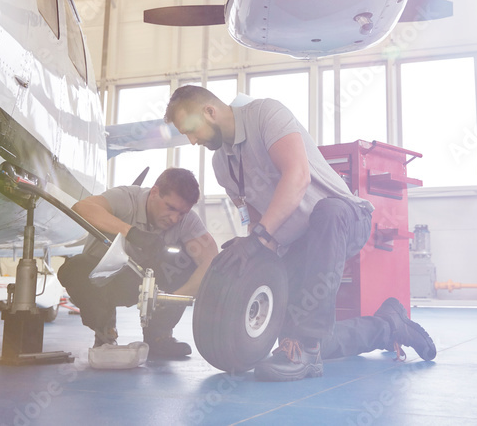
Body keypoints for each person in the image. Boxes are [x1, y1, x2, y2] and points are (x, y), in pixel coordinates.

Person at [164, 85, 436, 381]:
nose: (191, 141)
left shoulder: (267, 114)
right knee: (292, 333)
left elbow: (298, 176)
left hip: (345, 219)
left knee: (326, 212)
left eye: (191, 129)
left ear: (210, 111)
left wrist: (260, 238)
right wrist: (255, 257)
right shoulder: (222, 165)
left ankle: (307, 351)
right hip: (296, 243)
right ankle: (386, 326)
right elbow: (253, 217)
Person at [57, 167, 218, 359]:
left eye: (182, 213)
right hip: (103, 280)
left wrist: (175, 298)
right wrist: (131, 233)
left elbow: (210, 261)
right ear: (155, 192)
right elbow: (82, 208)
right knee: (74, 269)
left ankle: (159, 337)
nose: (175, 218)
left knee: (187, 263)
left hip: (144, 283)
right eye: (170, 208)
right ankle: (105, 330)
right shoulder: (126, 198)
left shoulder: (186, 221)